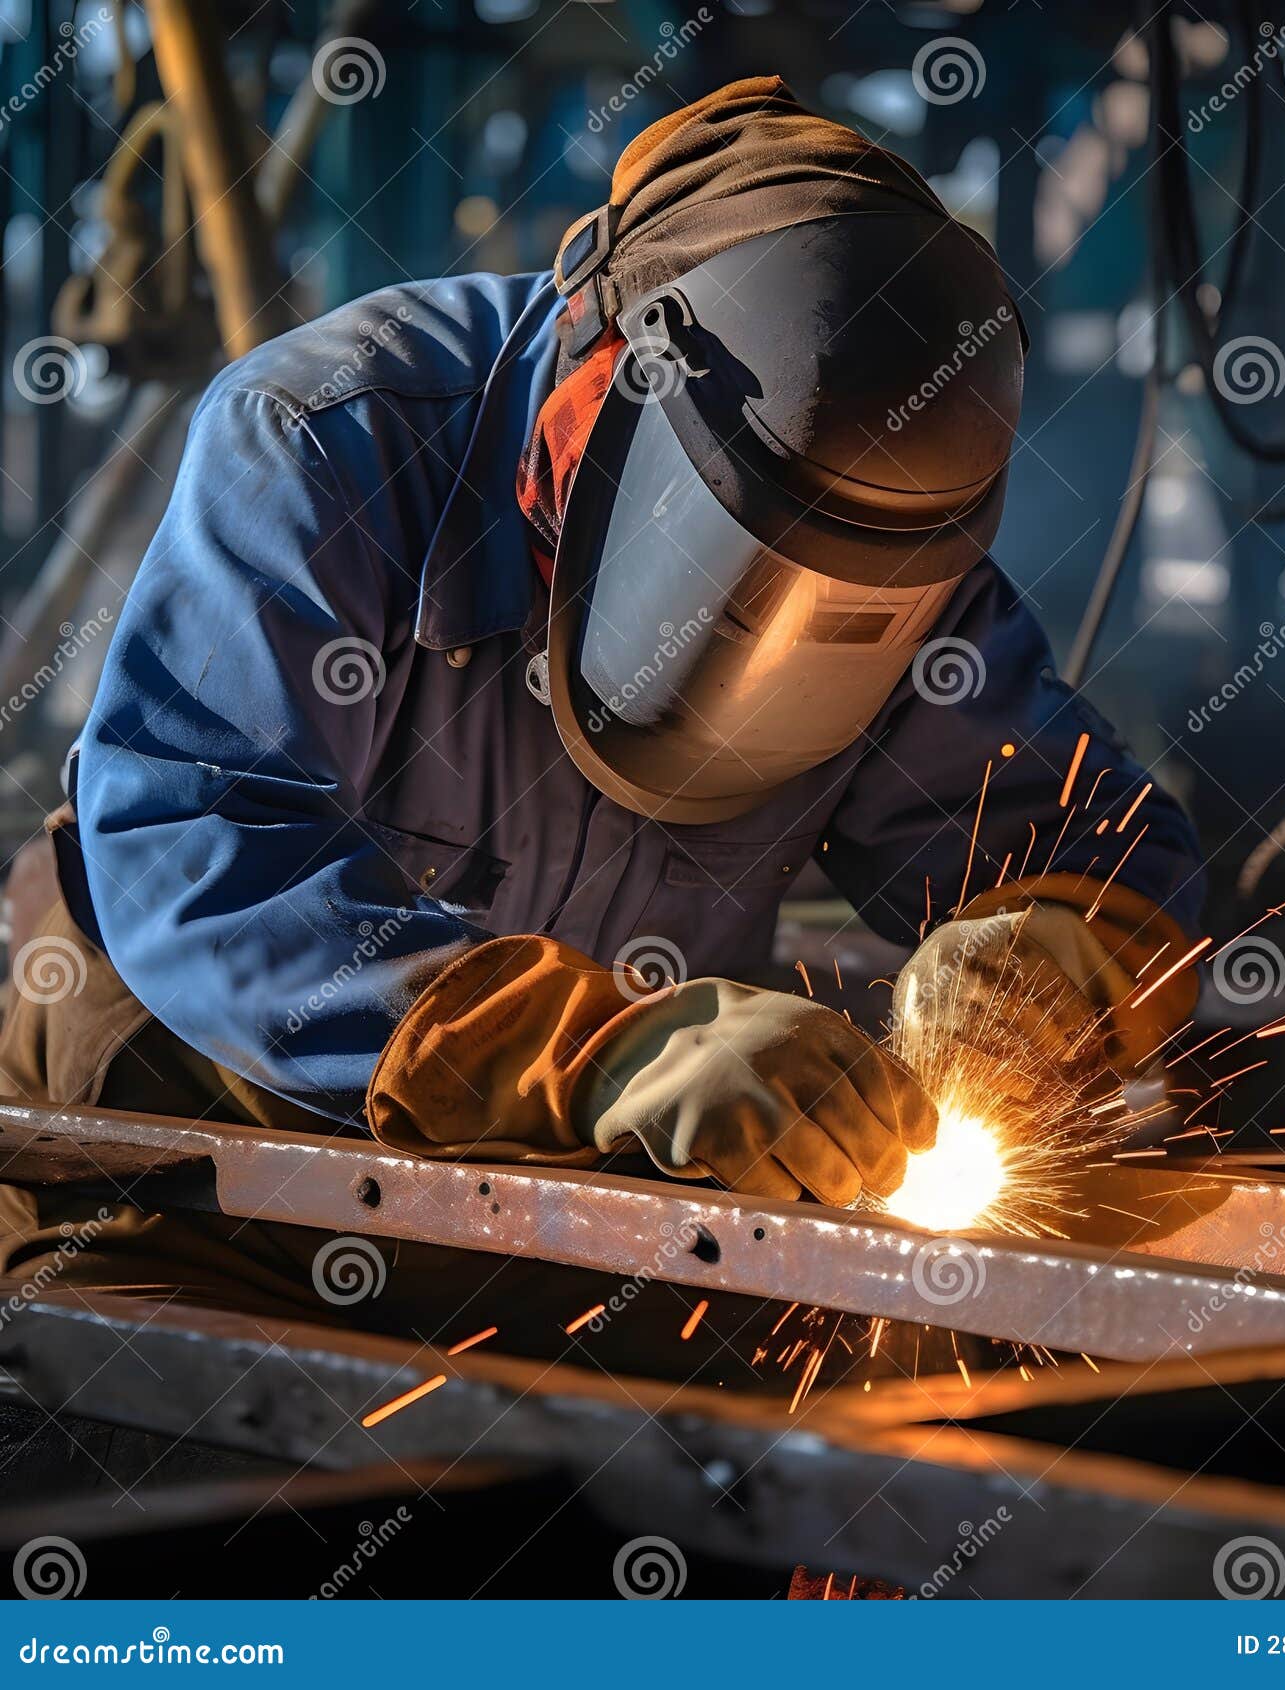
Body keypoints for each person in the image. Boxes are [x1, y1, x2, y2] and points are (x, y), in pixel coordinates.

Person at [0, 78, 1201, 1326]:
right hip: (192, 1168)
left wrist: (1046, 955)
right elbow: (201, 852)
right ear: (602, 399)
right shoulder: (324, 440)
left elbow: (1087, 838)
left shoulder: (912, 571)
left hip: (573, 1220)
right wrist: (605, 1047)